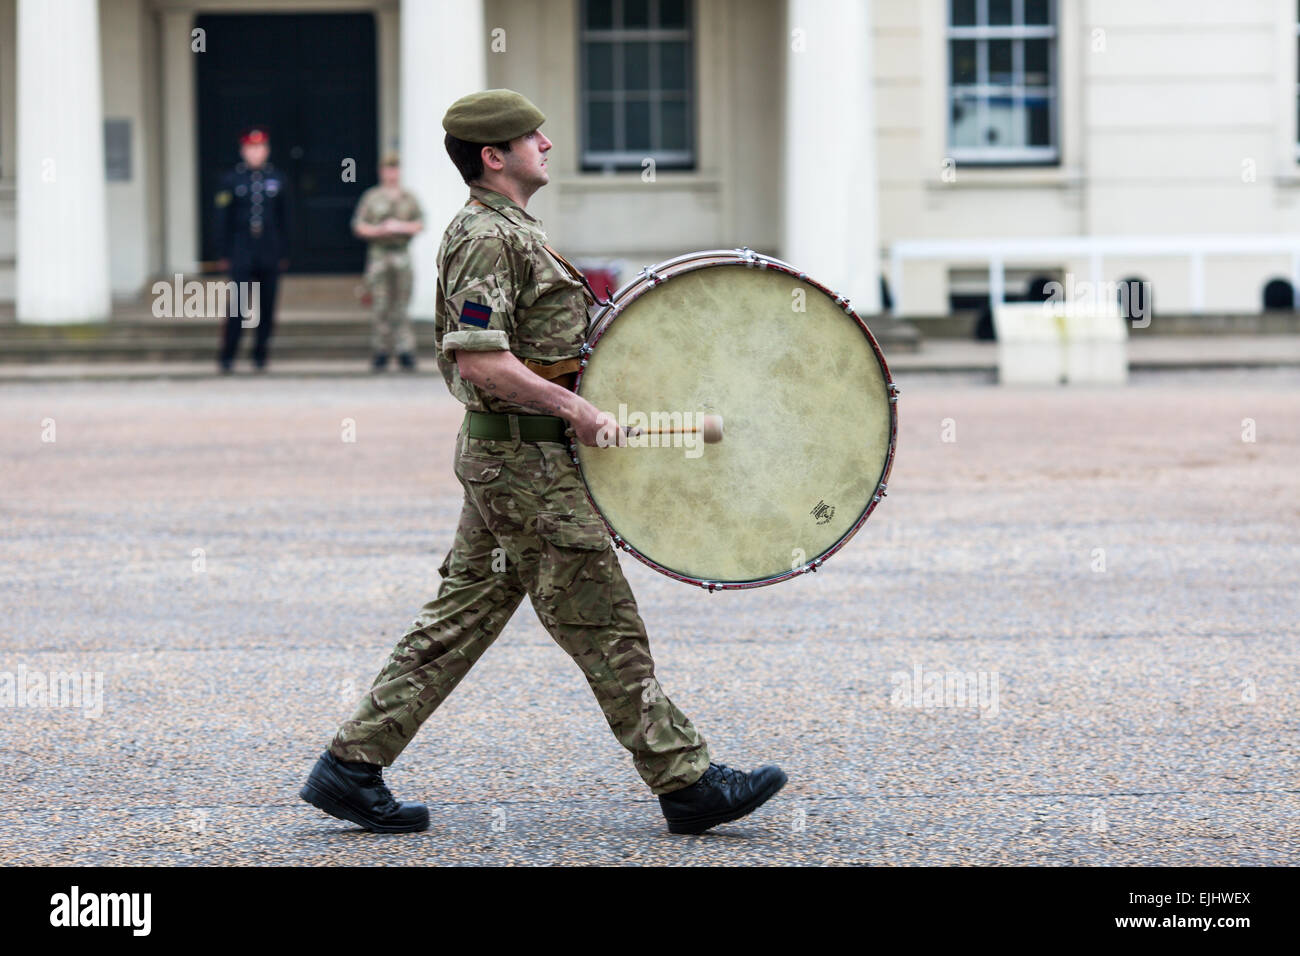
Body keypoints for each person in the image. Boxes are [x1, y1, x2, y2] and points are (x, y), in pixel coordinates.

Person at [300, 89, 786, 836]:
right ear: (494, 156)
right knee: (602, 620)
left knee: (461, 618)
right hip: (525, 463)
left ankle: (352, 764)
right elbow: (481, 359)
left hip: (512, 455)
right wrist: (577, 411)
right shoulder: (486, 237)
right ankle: (685, 779)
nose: (548, 144)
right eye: (533, 137)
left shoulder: (513, 230)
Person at [213, 127, 291, 373]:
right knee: (237, 305)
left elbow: (286, 218)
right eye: (251, 148)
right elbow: (221, 219)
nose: (256, 153)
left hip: (269, 248)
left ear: (266, 150)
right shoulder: (231, 180)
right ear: (243, 151)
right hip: (241, 248)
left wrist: (284, 252)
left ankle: (260, 354)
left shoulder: (278, 179)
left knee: (267, 304)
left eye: (260, 148)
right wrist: (223, 252)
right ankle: (228, 355)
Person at [352, 152, 424, 372]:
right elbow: (359, 226)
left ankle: (404, 350)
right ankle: (381, 350)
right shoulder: (371, 197)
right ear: (381, 171)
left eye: (395, 169)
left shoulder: (408, 197)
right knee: (380, 304)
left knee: (401, 304)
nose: (391, 173)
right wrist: (379, 230)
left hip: (401, 253)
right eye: (388, 169)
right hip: (379, 255)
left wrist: (400, 227)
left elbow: (419, 224)